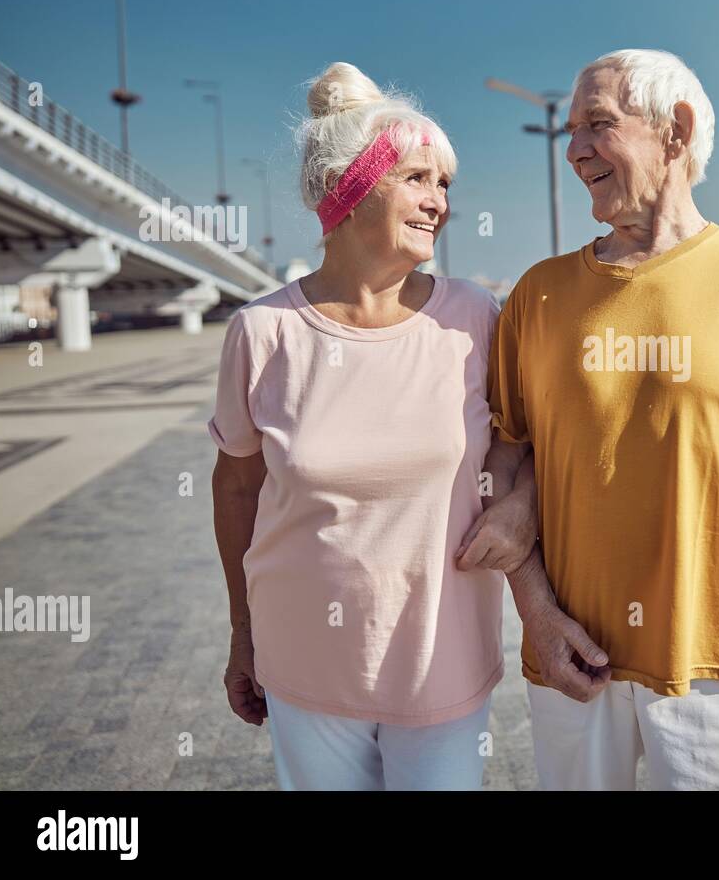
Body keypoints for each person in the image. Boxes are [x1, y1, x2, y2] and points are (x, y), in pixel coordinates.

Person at [489, 49, 719, 790]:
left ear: (677, 130)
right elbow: (503, 462)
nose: (574, 151)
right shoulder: (536, 295)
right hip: (572, 661)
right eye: (570, 132)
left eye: (598, 124)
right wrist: (533, 610)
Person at [209, 62, 537, 790]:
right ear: (347, 193)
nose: (440, 202)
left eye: (445, 183)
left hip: (440, 660)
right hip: (302, 663)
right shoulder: (262, 333)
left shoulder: (475, 320)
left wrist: (524, 510)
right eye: (418, 179)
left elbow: (524, 446)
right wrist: (243, 635)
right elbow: (235, 490)